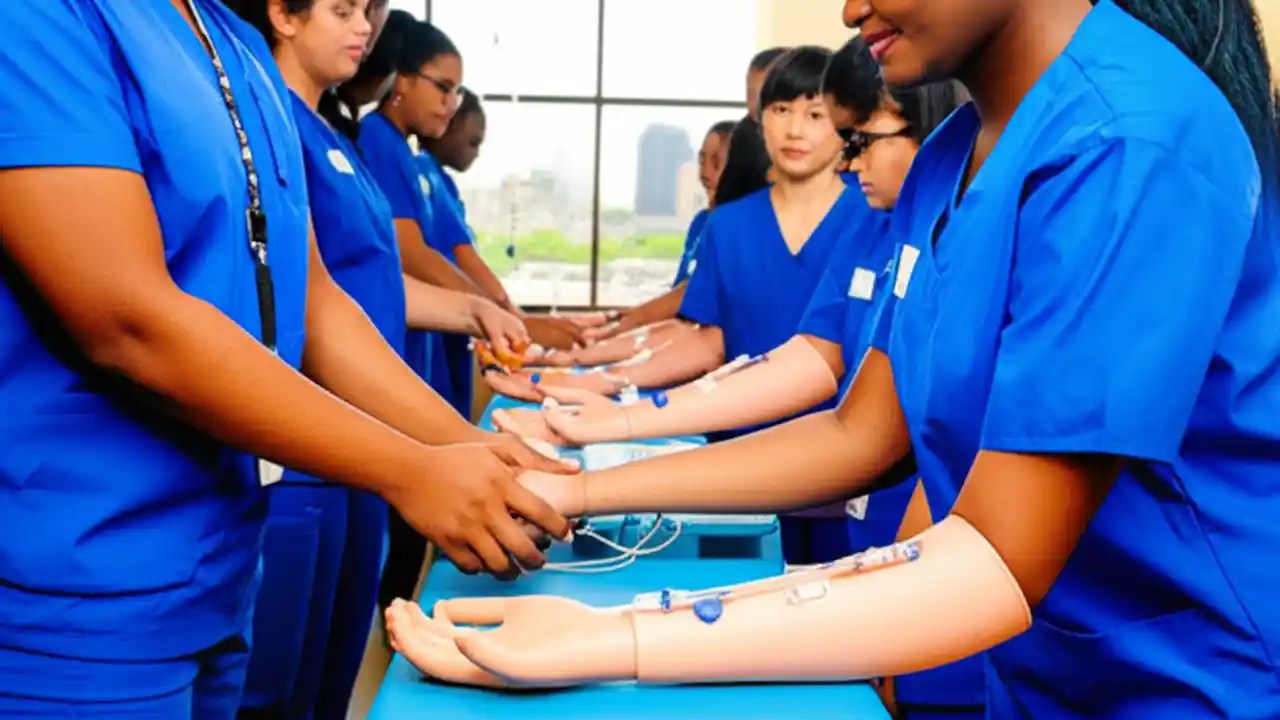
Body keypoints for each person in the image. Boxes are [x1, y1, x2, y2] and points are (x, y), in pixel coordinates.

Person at [384, 0, 1280, 717]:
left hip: (1191, 676)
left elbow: (998, 559)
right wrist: (579, 489)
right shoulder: (948, 161)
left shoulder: (1132, 137)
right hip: (1047, 670)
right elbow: (860, 435)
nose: (850, 9)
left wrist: (613, 637)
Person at [0, 1, 571, 717]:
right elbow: (125, 318)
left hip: (219, 567)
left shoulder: (233, 44)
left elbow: (316, 304)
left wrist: (471, 446)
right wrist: (409, 468)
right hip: (75, 592)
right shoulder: (46, 20)